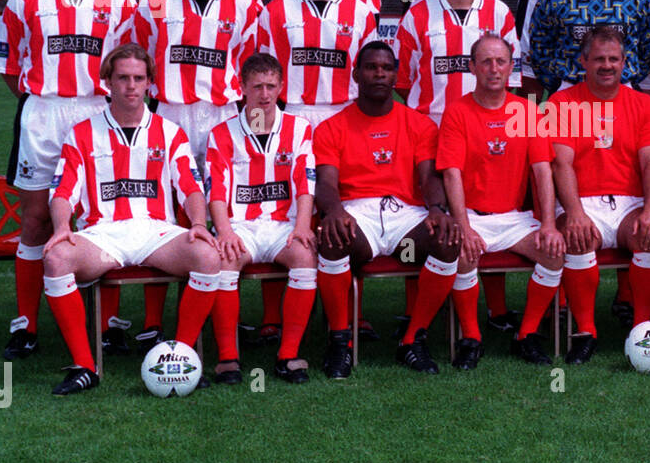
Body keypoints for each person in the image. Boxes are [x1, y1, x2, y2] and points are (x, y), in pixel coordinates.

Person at [0, 0, 137, 362]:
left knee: (104, 219)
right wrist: (44, 99)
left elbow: (125, 65)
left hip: (98, 111)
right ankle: (26, 325)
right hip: (44, 113)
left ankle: (109, 325)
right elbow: (12, 71)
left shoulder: (118, 0)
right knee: (36, 219)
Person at [42, 44, 219, 395]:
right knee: (56, 258)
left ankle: (181, 357)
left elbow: (190, 187)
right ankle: (85, 367)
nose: (131, 86)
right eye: (122, 78)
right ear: (107, 81)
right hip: (102, 235)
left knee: (208, 256)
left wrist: (198, 224)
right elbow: (63, 191)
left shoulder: (170, 132)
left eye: (139, 78)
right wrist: (62, 227)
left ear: (150, 83)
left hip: (156, 233)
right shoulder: (82, 133)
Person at [311, 42, 463, 376]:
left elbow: (428, 177)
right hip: (358, 221)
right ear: (356, 74)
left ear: (396, 74)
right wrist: (333, 211)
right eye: (371, 67)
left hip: (404, 231)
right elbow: (325, 182)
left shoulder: (419, 124)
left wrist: (437, 209)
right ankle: (341, 342)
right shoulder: (331, 127)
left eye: (386, 68)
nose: (379, 74)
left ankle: (412, 339)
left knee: (448, 239)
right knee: (333, 238)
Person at [436, 35, 566, 366]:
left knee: (554, 252)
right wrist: (463, 227)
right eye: (486, 62)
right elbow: (451, 174)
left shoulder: (526, 111)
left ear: (511, 67)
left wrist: (549, 224)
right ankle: (471, 337)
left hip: (513, 218)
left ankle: (527, 334)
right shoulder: (457, 112)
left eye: (501, 62)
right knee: (461, 255)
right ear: (472, 67)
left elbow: (542, 172)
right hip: (472, 216)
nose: (494, 69)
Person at [550, 28, 650, 363]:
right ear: (582, 60)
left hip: (628, 202)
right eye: (598, 58)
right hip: (582, 200)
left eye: (613, 59)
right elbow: (562, 164)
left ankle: (642, 329)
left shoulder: (645, 105)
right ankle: (586, 332)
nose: (606, 65)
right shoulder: (562, 103)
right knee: (577, 237)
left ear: (624, 62)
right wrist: (573, 212)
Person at [206, 54, 317, 384]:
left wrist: (302, 227)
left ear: (282, 87)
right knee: (224, 260)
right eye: (257, 87)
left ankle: (288, 354)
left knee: (304, 256)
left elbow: (305, 183)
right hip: (241, 226)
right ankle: (228, 358)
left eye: (271, 86)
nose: (265, 94)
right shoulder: (221, 133)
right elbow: (216, 191)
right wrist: (224, 231)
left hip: (284, 223)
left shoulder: (299, 128)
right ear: (242, 88)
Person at [134, 0, 262, 179]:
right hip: (170, 110)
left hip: (222, 112)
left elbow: (247, 65)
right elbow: (140, 56)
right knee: (169, 191)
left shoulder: (245, 5)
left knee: (222, 195)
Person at [388, 0, 521, 122]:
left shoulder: (500, 13)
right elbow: (402, 81)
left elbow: (509, 75)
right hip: (431, 125)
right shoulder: (416, 15)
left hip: (483, 124)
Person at [260, 0, 379, 130]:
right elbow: (257, 78)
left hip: (347, 114)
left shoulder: (362, 13)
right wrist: (258, 128)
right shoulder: (274, 11)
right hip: (292, 114)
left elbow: (372, 78)